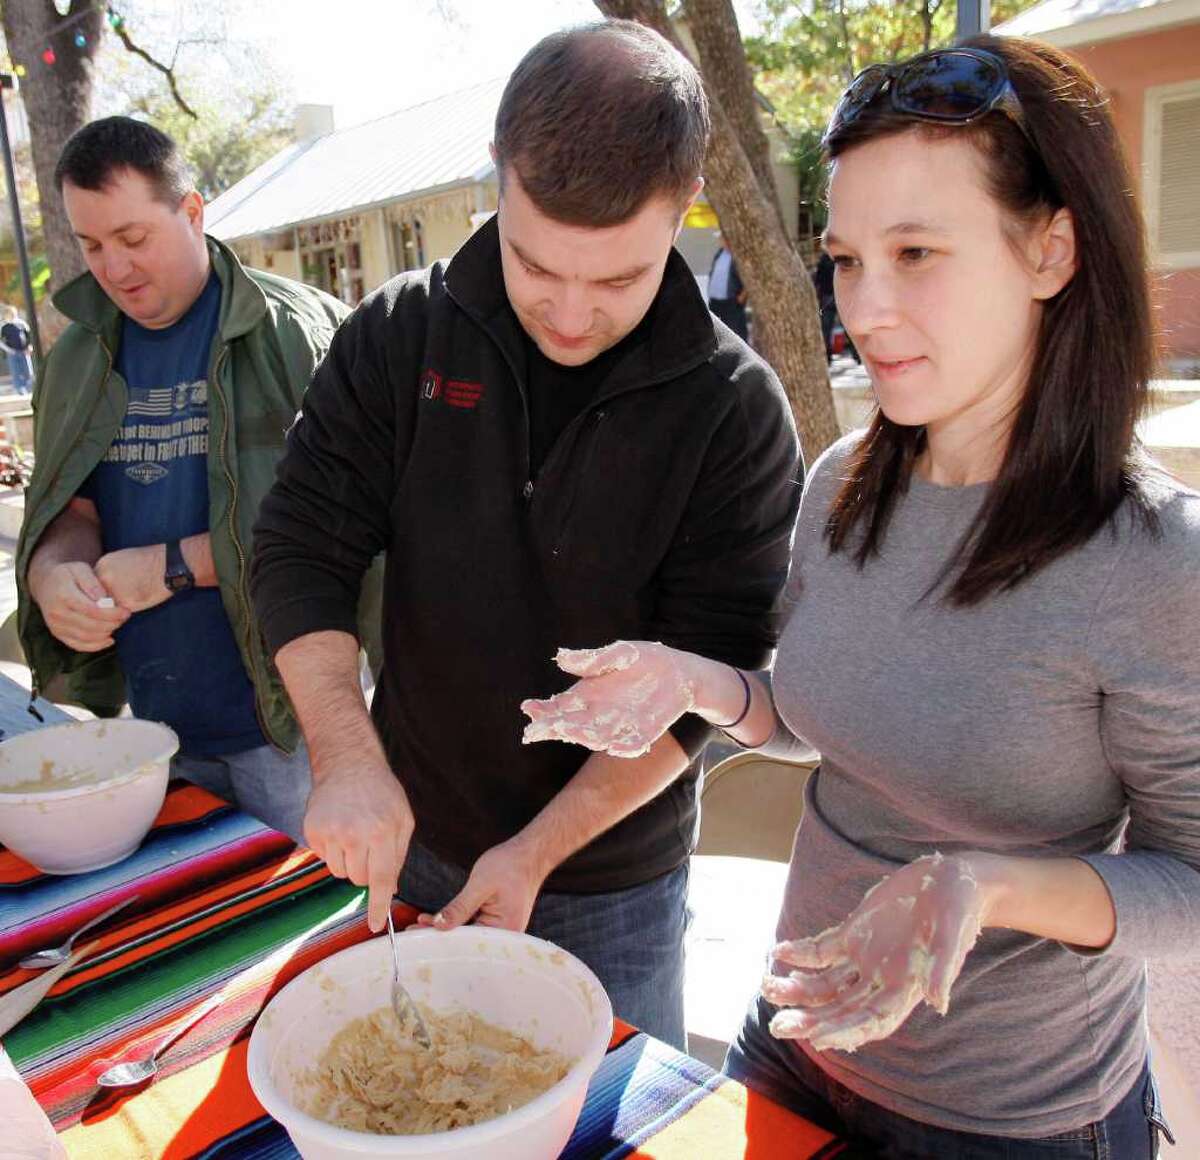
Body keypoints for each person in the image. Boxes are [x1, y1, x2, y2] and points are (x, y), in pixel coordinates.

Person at [521, 35, 1196, 1157]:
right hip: (791, 1043)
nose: (865, 307)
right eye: (845, 257)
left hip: (1008, 1120)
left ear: (1051, 249)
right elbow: (821, 712)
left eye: (917, 251)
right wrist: (700, 685)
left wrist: (985, 884)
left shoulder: (1154, 557)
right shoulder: (847, 482)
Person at [249, 20, 801, 1049]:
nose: (573, 313)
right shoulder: (400, 332)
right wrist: (345, 752)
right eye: (538, 265)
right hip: (408, 838)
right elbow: (299, 546)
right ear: (498, 181)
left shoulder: (737, 410)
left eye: (618, 280)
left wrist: (540, 848)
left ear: (684, 213)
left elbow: (712, 676)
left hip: (613, 882)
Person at [14, 117, 378, 843]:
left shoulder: (300, 332)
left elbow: (357, 520)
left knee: (314, 931)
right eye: (91, 246)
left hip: (293, 725)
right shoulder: (79, 355)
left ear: (191, 211)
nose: (112, 269)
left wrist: (174, 567)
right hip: (156, 728)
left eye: (133, 238)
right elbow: (74, 507)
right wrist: (55, 572)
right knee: (212, 938)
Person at [707, 231, 748, 340]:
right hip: (715, 303)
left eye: (722, 238)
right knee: (716, 334)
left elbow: (748, 277)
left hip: (731, 302)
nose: (720, 241)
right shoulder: (719, 253)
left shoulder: (738, 256)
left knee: (734, 336)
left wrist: (742, 297)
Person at [0, 306, 34, 396]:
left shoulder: (21, 323)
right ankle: (20, 389)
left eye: (13, 313)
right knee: (16, 371)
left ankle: (30, 388)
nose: (12, 315)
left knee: (28, 370)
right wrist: (9, 350)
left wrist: (29, 346)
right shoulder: (4, 326)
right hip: (12, 352)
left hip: (24, 351)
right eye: (9, 313)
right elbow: (1, 341)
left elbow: (29, 336)